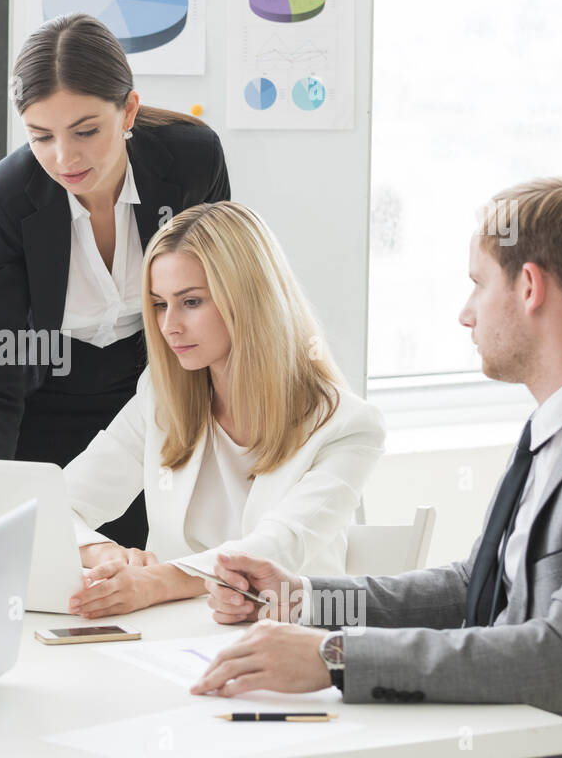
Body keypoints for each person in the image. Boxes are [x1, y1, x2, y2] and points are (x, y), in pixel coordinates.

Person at [193, 178, 562, 758]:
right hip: (474, 748)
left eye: (477, 283)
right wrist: (305, 599)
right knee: (248, 756)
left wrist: (332, 657)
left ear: (529, 288)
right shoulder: (557, 421)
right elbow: (476, 587)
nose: (465, 312)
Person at [0, 13, 231, 549]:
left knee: (161, 555)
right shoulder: (1, 200)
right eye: (41, 137)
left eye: (86, 131)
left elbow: (221, 297)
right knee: (40, 550)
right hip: (41, 390)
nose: (64, 158)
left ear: (129, 111)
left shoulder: (192, 158)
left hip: (152, 386)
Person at [59, 201, 386, 619]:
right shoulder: (159, 397)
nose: (169, 325)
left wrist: (157, 582)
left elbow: (275, 546)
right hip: (169, 638)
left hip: (287, 644)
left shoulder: (348, 426)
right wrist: (103, 551)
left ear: (250, 300)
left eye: (191, 302)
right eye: (159, 304)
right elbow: (58, 504)